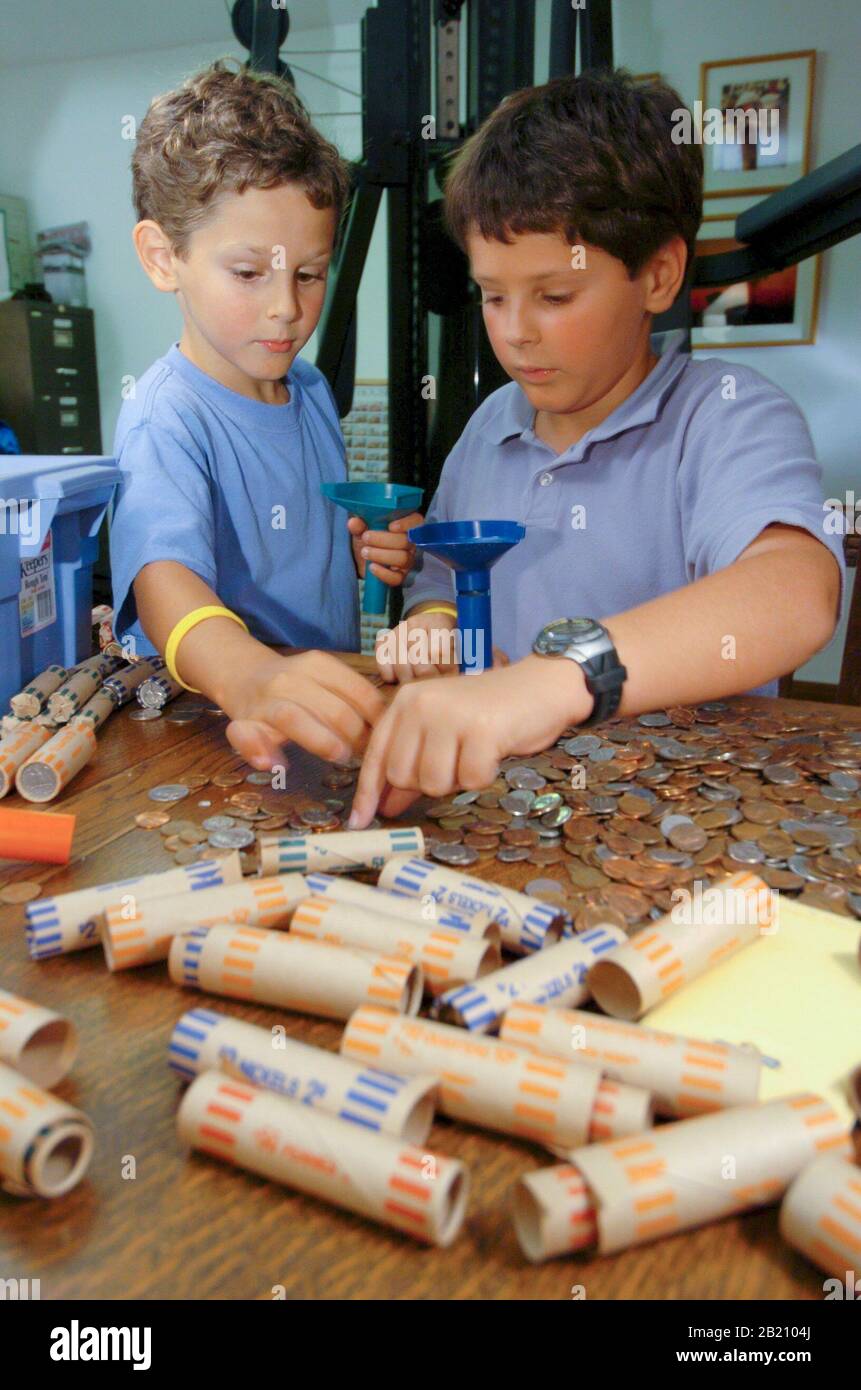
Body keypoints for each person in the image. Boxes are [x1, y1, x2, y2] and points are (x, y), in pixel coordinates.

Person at [348, 69, 845, 828]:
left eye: (553, 296)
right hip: (507, 816)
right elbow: (442, 585)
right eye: (492, 294)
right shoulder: (487, 429)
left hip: (681, 826)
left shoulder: (724, 416)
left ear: (658, 275)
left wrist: (557, 680)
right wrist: (434, 624)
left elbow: (794, 594)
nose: (515, 330)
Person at [110, 60, 421, 770]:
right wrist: (251, 677)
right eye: (249, 273)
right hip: (211, 726)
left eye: (309, 273)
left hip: (311, 710)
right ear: (164, 258)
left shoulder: (308, 389)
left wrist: (358, 551)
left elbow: (289, 547)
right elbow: (164, 582)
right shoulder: (166, 417)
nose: (287, 305)